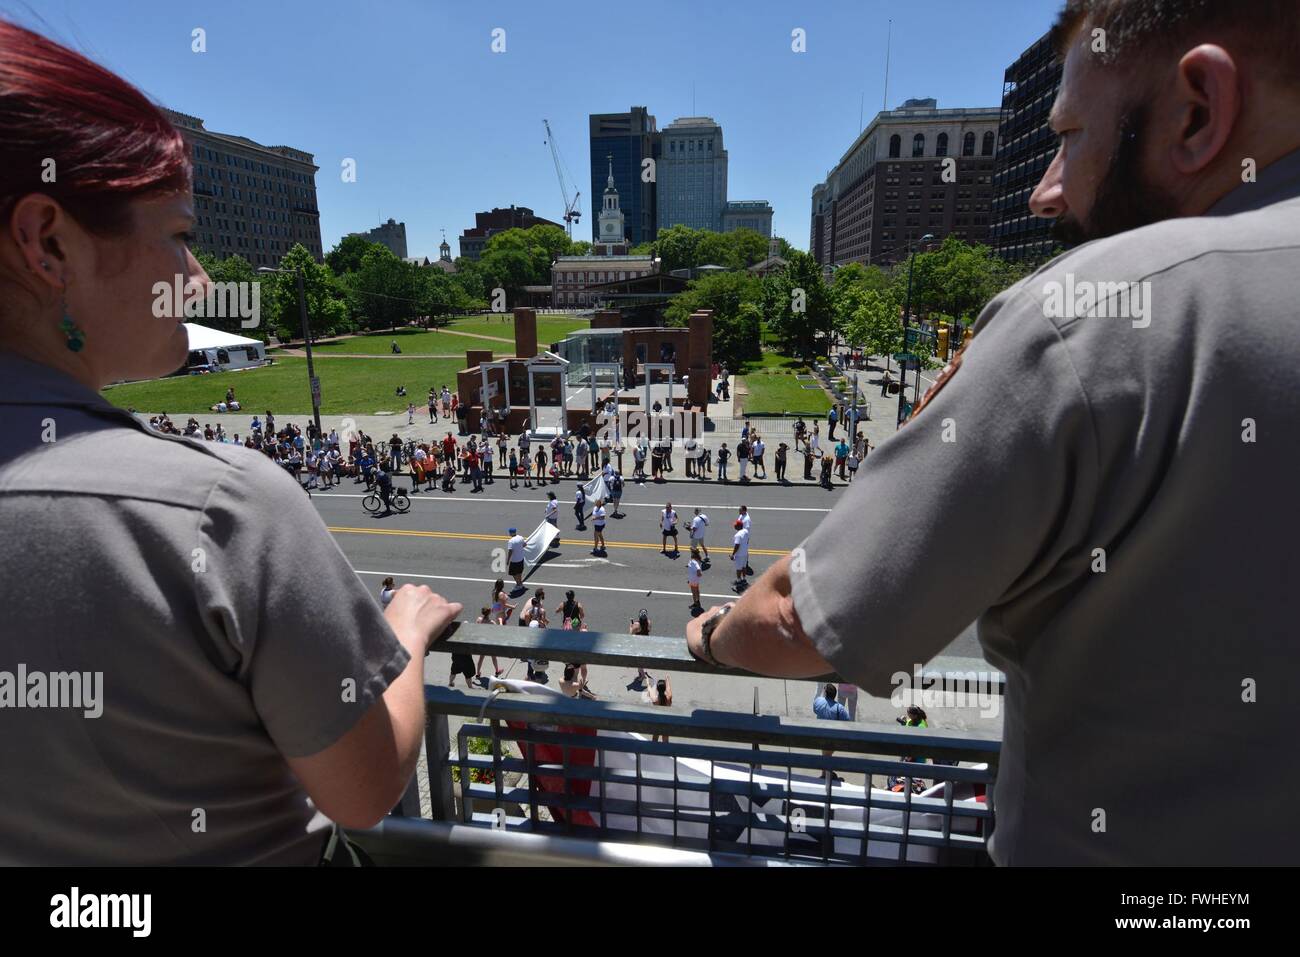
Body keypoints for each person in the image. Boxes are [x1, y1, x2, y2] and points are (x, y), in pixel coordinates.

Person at [686, 0, 1300, 865]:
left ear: (1198, 110)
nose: (1045, 187)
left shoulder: (1090, 312)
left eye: (1073, 135)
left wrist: (705, 636)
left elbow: (807, 620)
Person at [0, 21, 464, 863]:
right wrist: (402, 639)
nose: (202, 280)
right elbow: (363, 790)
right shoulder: (221, 507)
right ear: (48, 242)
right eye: (179, 236)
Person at [812, 683, 851, 782]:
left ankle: (825, 775)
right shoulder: (839, 708)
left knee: (825, 755)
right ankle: (826, 776)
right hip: (833, 737)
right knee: (827, 756)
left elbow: (815, 710)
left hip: (820, 734)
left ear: (825, 693)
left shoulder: (819, 701)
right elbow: (847, 721)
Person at [474, 606, 503, 681]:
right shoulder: (491, 623)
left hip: (482, 642)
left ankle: (477, 673)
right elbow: (499, 630)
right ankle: (497, 671)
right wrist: (500, 621)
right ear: (489, 613)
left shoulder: (479, 620)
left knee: (481, 658)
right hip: (489, 642)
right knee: (493, 657)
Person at [629, 610, 652, 687]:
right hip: (646, 642)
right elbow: (649, 630)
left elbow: (631, 634)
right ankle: (640, 670)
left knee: (638, 660)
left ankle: (642, 676)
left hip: (638, 643)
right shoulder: (649, 622)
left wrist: (630, 626)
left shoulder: (636, 625)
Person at [649, 676, 673, 744]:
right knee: (665, 739)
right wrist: (667, 679)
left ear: (657, 689)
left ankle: (654, 751)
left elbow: (650, 690)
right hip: (666, 721)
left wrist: (648, 683)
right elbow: (669, 689)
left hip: (657, 721)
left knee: (655, 738)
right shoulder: (669, 697)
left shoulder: (655, 699)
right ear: (665, 688)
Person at [730, 519, 750, 592]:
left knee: (738, 568)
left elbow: (737, 545)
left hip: (739, 555)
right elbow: (748, 540)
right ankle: (744, 579)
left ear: (738, 527)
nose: (734, 526)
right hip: (745, 553)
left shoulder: (737, 535)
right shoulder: (746, 531)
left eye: (735, 525)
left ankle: (739, 581)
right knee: (744, 567)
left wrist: (733, 555)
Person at [686, 548, 704, 613]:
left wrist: (698, 574)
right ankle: (698, 602)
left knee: (694, 592)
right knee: (697, 591)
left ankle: (695, 604)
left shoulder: (694, 562)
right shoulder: (697, 560)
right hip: (695, 579)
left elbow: (698, 570)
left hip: (693, 580)